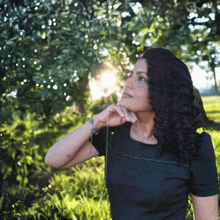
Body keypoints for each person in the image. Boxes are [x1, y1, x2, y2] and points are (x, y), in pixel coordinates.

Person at [45, 48, 219, 219]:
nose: (128, 83)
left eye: (141, 78)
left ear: (163, 92)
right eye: (131, 75)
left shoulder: (195, 146)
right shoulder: (114, 133)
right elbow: (54, 159)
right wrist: (97, 121)